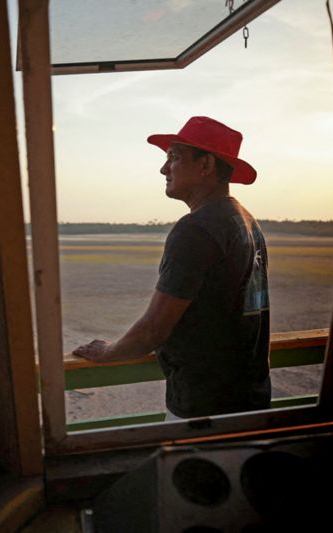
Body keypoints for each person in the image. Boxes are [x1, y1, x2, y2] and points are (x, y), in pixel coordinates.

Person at [73, 116, 271, 419]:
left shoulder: (195, 229)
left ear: (205, 166)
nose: (164, 169)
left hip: (205, 409)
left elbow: (154, 328)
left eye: (174, 158)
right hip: (250, 399)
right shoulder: (245, 221)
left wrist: (109, 352)